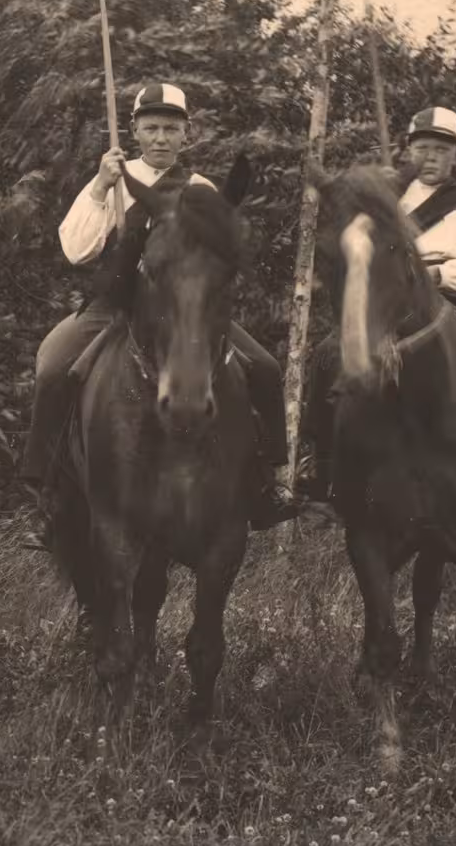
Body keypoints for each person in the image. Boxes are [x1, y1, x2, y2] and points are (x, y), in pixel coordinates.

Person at [18, 82, 299, 551]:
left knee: (266, 369)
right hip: (115, 307)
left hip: (185, 312)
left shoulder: (201, 188)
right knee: (52, 366)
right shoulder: (112, 179)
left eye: (171, 128)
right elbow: (75, 249)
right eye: (151, 128)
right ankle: (44, 496)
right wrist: (101, 185)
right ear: (134, 131)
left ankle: (265, 485)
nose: (161, 138)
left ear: (187, 134)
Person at [304, 106, 456, 505]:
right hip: (390, 307)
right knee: (324, 355)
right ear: (407, 151)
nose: (430, 157)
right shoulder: (385, 196)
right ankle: (321, 466)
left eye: (441, 148)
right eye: (422, 147)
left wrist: (435, 277)